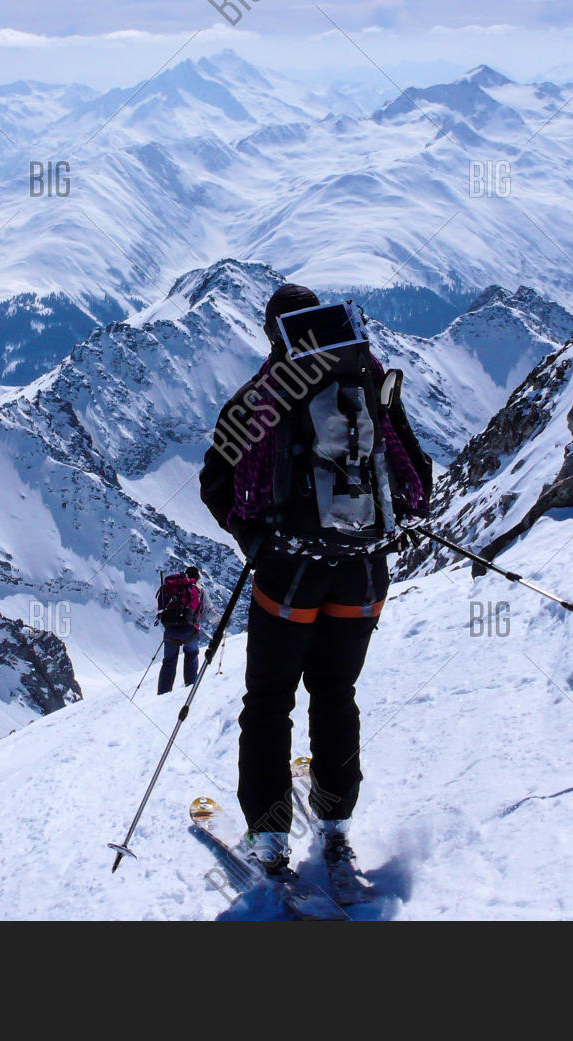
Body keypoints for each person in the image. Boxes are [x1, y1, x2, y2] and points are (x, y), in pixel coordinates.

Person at [199, 283, 431, 894]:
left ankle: (270, 838)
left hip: (290, 576)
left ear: (274, 333)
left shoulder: (262, 393)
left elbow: (215, 481)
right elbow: (416, 474)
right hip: (363, 573)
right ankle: (335, 826)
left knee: (269, 700)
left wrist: (253, 537)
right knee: (335, 693)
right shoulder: (367, 378)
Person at [156, 567, 203, 694]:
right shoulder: (195, 589)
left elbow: (160, 609)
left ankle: (163, 692)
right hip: (190, 630)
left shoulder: (169, 587)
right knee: (191, 655)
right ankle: (190, 688)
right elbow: (200, 609)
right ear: (196, 578)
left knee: (169, 661)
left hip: (171, 630)